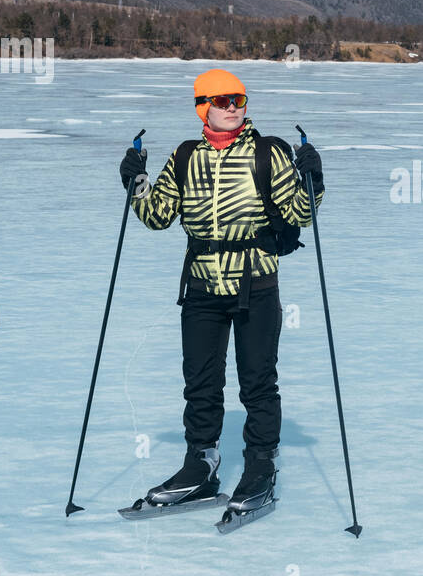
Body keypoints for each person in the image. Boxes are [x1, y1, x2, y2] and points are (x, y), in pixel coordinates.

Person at [118, 68, 323, 512]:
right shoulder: (185, 156)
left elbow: (301, 214)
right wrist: (135, 182)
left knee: (258, 383)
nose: (233, 107)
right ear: (202, 107)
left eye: (239, 99)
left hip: (256, 282)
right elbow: (156, 216)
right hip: (201, 285)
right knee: (201, 384)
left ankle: (260, 467)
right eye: (223, 100)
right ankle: (201, 468)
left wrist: (314, 181)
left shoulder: (268, 152)